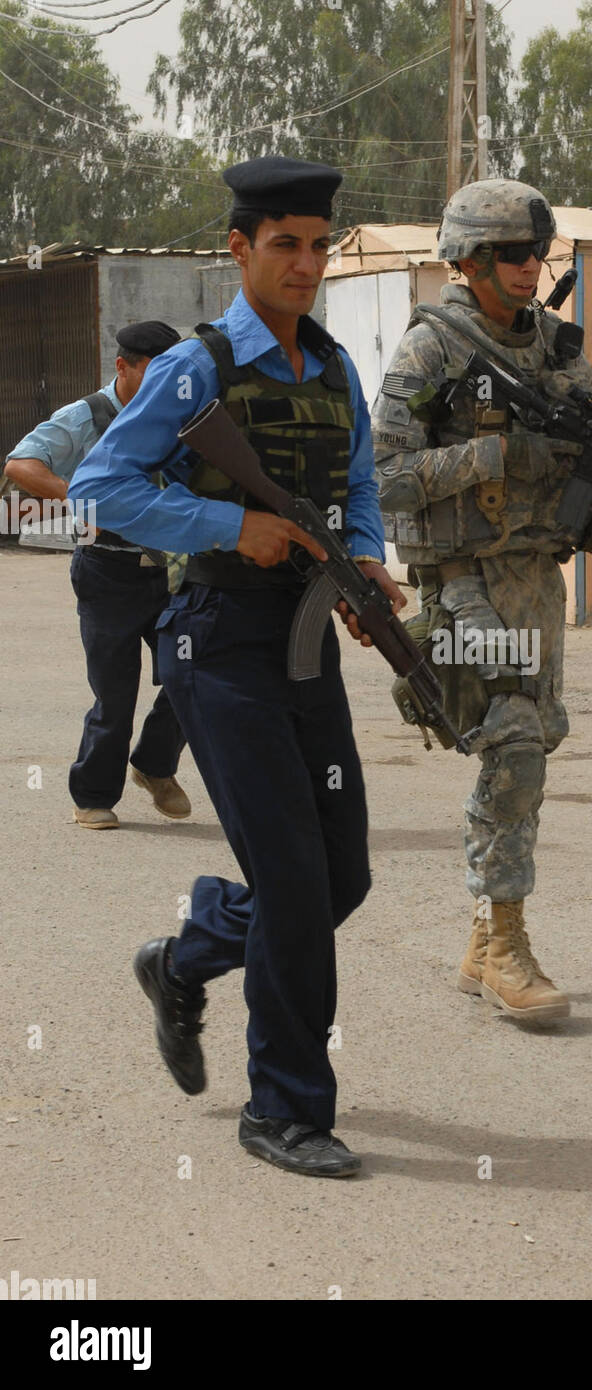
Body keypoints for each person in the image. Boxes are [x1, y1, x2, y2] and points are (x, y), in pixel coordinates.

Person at [69, 155, 403, 1178]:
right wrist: (231, 522)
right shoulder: (197, 367)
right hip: (215, 639)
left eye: (318, 245)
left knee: (339, 871)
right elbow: (100, 483)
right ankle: (286, 1108)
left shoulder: (336, 365)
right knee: (297, 882)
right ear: (241, 249)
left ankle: (185, 956)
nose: (305, 264)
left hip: (302, 635)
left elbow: (357, 483)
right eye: (285, 244)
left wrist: (364, 566)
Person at [372, 179, 592, 1025]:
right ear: (465, 261)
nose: (530, 267)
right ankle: (505, 945)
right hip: (458, 577)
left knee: (533, 752)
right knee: (513, 742)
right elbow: (386, 481)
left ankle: (480, 934)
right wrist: (501, 458)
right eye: (511, 253)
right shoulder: (431, 352)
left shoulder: (559, 350)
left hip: (534, 576)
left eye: (539, 251)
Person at [4, 321, 189, 829]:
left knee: (192, 673)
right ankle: (93, 796)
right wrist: (78, 495)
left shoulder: (180, 411)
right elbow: (21, 465)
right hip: (107, 570)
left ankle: (154, 766)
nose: (159, 387)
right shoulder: (88, 415)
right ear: (122, 367)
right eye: (149, 374)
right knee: (116, 695)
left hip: (173, 569)